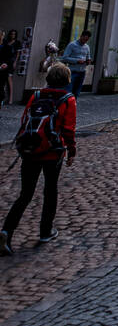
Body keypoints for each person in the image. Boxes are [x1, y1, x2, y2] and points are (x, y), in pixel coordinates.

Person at [0, 62, 77, 255]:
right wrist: (71, 150)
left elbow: (25, 119)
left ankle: (6, 231)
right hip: (53, 151)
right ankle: (45, 230)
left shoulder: (37, 95)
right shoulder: (68, 99)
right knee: (50, 190)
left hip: (31, 149)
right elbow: (68, 129)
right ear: (66, 80)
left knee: (25, 194)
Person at [61, 31, 91, 98]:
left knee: (77, 93)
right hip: (72, 72)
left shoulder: (87, 47)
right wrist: (77, 61)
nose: (85, 41)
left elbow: (88, 57)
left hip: (82, 72)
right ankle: (66, 107)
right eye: (84, 39)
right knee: (68, 91)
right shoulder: (72, 45)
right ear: (81, 36)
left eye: (87, 40)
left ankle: (73, 107)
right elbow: (64, 58)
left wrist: (88, 61)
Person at [0, 28, 21, 107]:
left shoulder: (17, 42)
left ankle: (11, 98)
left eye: (14, 34)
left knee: (9, 78)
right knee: (4, 78)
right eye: (11, 34)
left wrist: (15, 62)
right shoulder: (6, 42)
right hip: (5, 61)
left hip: (11, 62)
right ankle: (4, 97)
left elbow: (18, 54)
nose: (13, 35)